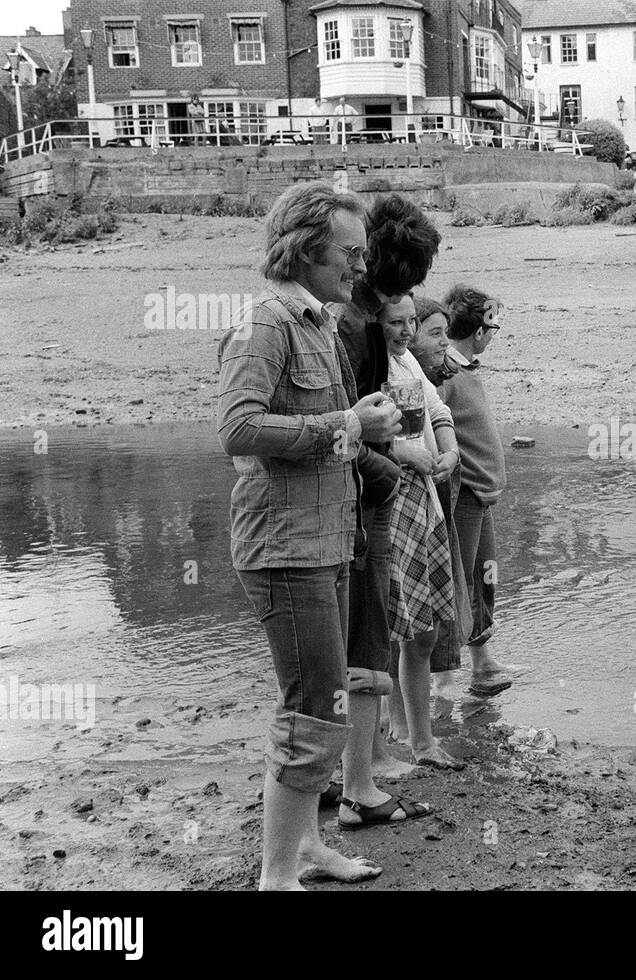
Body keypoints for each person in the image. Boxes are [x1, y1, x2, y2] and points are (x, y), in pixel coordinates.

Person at [217, 181, 402, 889]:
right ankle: (275, 875)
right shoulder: (266, 325)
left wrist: (367, 429)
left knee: (321, 703)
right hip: (283, 547)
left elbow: (331, 435)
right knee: (309, 706)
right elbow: (237, 430)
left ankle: (309, 848)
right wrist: (349, 425)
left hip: (325, 539)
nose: (360, 267)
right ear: (304, 249)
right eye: (348, 254)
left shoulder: (319, 322)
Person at [326, 194, 442, 829]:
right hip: (359, 505)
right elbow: (351, 429)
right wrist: (390, 470)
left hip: (363, 495)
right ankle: (356, 790)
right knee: (365, 641)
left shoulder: (359, 322)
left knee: (353, 644)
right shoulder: (350, 326)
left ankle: (338, 778)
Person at [378, 294, 466, 770]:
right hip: (395, 503)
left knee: (427, 629)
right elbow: (361, 430)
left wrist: (448, 451)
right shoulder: (370, 360)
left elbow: (436, 411)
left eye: (412, 321)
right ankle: (411, 739)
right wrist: (402, 453)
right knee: (403, 625)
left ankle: (419, 738)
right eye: (396, 322)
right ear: (378, 323)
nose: (406, 331)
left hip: (426, 498)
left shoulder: (408, 360)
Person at [431, 284, 516, 696]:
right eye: (492, 328)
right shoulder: (445, 372)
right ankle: (445, 675)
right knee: (458, 580)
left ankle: (482, 663)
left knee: (483, 579)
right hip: (461, 494)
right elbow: (431, 422)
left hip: (480, 496)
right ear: (480, 332)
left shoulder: (463, 369)